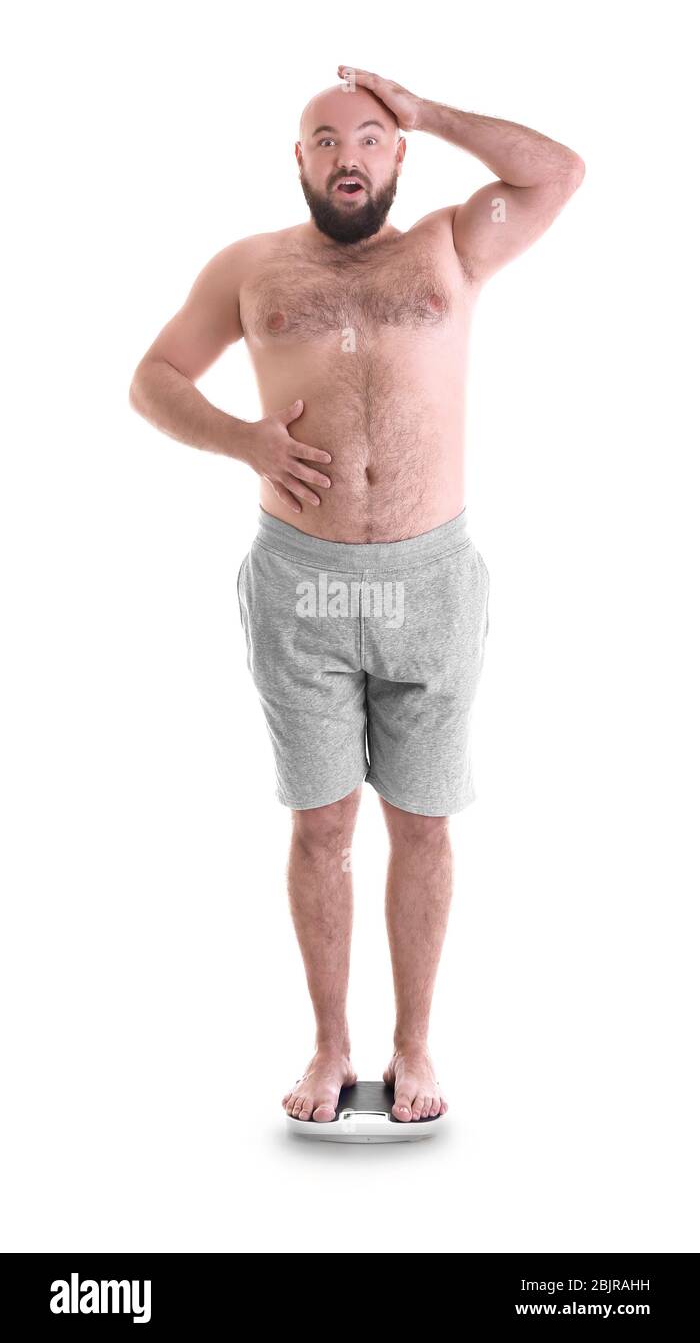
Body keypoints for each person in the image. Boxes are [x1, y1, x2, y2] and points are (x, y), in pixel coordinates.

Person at [129, 65, 585, 1125]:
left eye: (372, 137)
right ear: (299, 159)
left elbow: (560, 171)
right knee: (322, 823)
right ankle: (331, 1048)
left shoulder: (450, 245)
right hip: (301, 581)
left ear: (398, 155)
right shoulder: (247, 266)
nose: (349, 155)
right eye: (326, 140)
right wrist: (240, 440)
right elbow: (153, 376)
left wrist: (428, 108)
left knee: (421, 823)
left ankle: (414, 1045)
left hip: (431, 577)